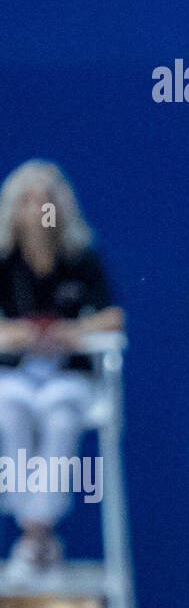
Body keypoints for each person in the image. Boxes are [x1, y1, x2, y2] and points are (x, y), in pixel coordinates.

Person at [0, 160, 124, 579]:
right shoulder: (4, 262)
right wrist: (18, 333)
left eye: (46, 200)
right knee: (9, 408)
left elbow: (112, 318)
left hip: (67, 377)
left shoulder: (81, 259)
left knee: (60, 411)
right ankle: (35, 532)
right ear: (13, 209)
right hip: (16, 375)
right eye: (28, 200)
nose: (38, 209)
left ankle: (36, 533)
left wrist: (71, 331)